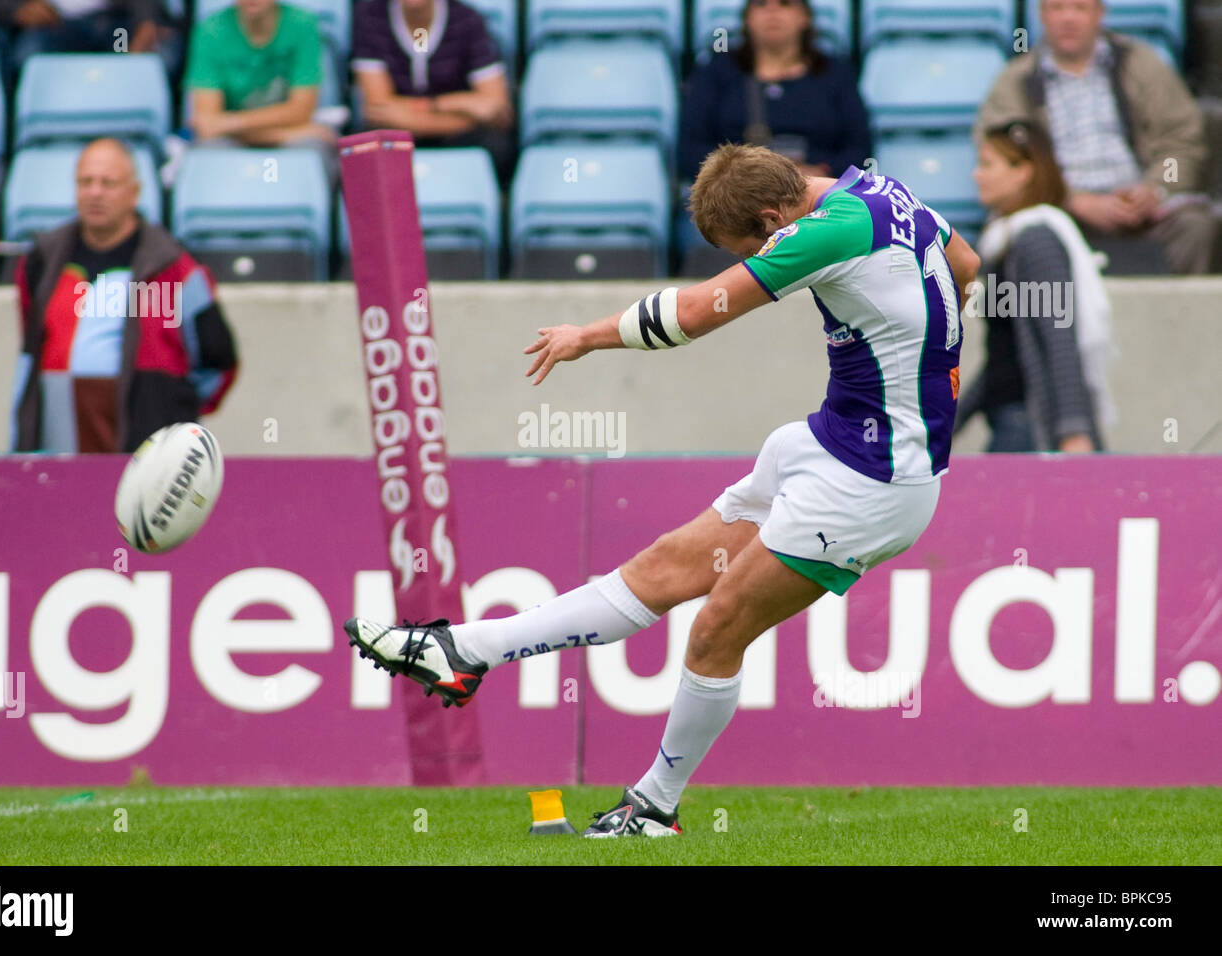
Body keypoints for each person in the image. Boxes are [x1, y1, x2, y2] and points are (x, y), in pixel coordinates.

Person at [346, 144, 979, 837]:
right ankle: (464, 651)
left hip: (874, 482)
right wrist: (924, 355)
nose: (749, 258)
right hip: (828, 442)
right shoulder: (877, 190)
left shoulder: (825, 231)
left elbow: (697, 313)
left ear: (773, 216)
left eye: (746, 247)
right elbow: (967, 268)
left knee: (717, 629)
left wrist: (585, 335)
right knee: (663, 570)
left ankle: (653, 808)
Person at [11, 138, 237, 453]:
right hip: (57, 453)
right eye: (85, 182)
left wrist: (171, 410)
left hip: (147, 462)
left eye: (108, 183)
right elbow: (30, 350)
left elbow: (219, 360)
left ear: (135, 192)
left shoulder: (175, 268)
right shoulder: (41, 263)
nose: (95, 192)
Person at [976, 0, 1214, 274]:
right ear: (1041, 15)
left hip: (1144, 214)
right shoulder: (1014, 80)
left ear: (1100, 13)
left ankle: (1177, 312)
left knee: (1195, 225)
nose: (1068, 19)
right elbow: (1003, 159)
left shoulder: (1144, 66)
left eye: (1080, 8)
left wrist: (1156, 189)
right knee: (1019, 231)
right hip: (1057, 213)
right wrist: (1070, 199)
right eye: (1057, 8)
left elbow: (1182, 142)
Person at [955, 121, 1115, 453]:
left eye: (987, 165)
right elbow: (1003, 356)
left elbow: (1059, 339)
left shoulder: (1036, 239)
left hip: (1028, 427)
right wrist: (950, 424)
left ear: (1023, 172)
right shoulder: (1006, 240)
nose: (976, 175)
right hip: (1009, 420)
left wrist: (1073, 431)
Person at [679, 0, 872, 183]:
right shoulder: (715, 72)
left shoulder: (836, 73)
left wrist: (821, 172)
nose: (772, 11)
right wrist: (743, 175)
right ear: (747, 19)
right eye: (761, 4)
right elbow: (689, 151)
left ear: (805, 18)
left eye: (785, 3)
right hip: (738, 197)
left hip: (819, 194)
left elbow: (859, 149)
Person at [352, 0, 513, 182]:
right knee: (365, 148)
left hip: (457, 138)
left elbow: (496, 108)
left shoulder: (467, 19)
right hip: (402, 136)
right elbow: (378, 109)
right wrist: (465, 109)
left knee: (496, 145)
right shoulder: (370, 17)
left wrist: (430, 106)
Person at [184, 0, 335, 155]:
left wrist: (229, 123)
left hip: (255, 138)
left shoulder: (303, 24)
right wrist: (286, 134)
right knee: (207, 151)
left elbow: (301, 110)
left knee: (311, 151)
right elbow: (208, 125)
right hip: (237, 141)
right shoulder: (210, 30)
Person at [0, 0, 177, 77]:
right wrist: (16, 9)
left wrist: (145, 21)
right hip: (53, 26)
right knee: (26, 57)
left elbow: (144, 17)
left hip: (115, 26)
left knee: (145, 58)